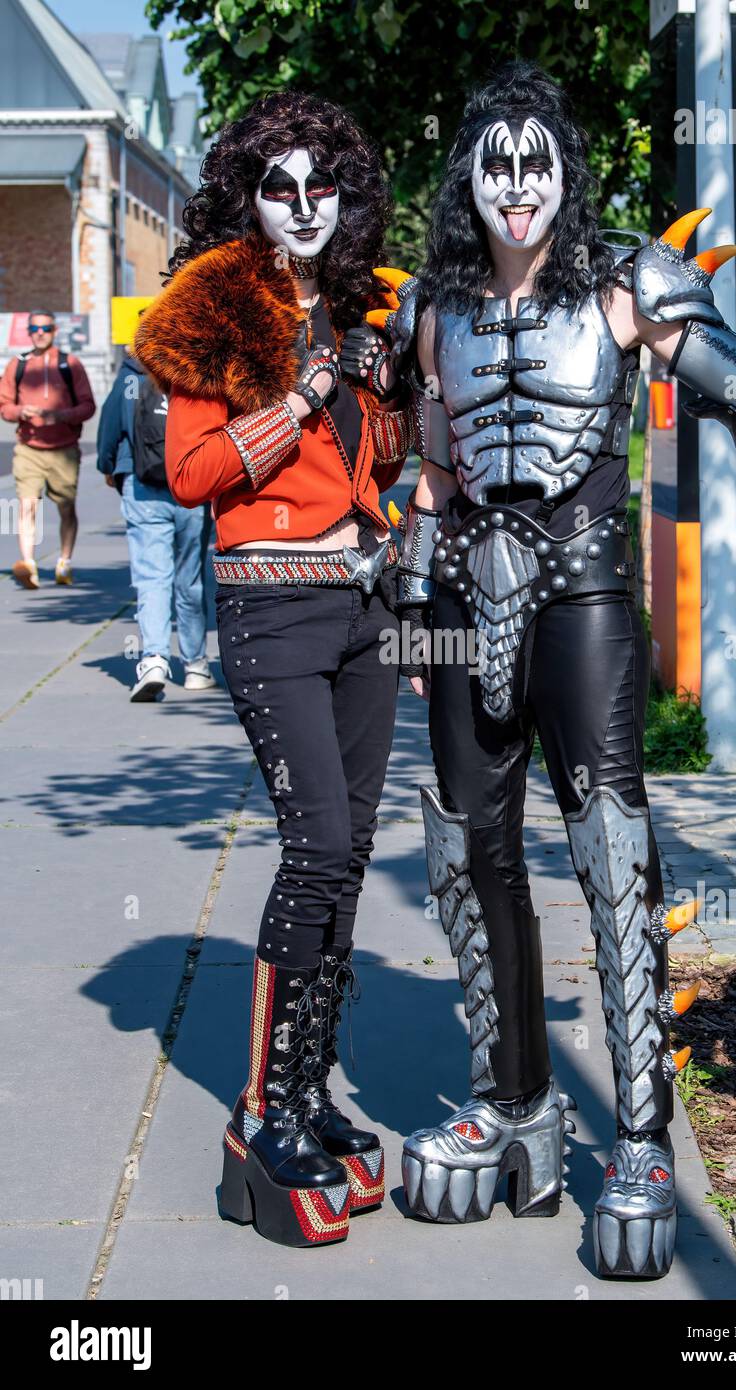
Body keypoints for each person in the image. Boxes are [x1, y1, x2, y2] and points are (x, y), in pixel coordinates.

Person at [391, 62, 736, 1277]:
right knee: (467, 855)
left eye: (538, 162)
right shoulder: (433, 309)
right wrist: (411, 631)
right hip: (462, 599)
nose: (518, 186)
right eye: (497, 162)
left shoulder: (628, 286)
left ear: (562, 171)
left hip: (583, 595)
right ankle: (514, 1100)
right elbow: (428, 478)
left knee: (609, 850)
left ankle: (637, 1136)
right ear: (468, 174)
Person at [134, 89, 413, 1247]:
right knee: (317, 850)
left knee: (346, 861)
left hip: (365, 603)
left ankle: (308, 1092)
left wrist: (376, 388)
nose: (302, 208)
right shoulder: (211, 303)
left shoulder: (369, 298)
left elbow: (385, 453)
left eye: (322, 185)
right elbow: (193, 473)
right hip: (269, 612)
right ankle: (256, 1118)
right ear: (246, 193)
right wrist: (303, 389)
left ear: (346, 191)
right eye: (277, 186)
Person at [97, 351, 215, 701]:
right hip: (191, 489)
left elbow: (110, 427)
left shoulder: (132, 377)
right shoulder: (195, 371)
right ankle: (196, 666)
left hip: (141, 484)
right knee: (190, 577)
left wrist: (109, 466)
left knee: (152, 576)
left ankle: (153, 660)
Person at [0, 311, 95, 588]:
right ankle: (28, 564)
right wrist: (20, 410)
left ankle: (64, 561)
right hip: (28, 447)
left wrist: (61, 416)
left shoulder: (70, 364)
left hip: (63, 449)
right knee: (27, 506)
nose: (40, 332)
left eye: (46, 328)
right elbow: (3, 406)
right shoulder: (16, 366)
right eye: (35, 328)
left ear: (54, 331)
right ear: (29, 332)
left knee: (66, 508)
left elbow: (88, 406)